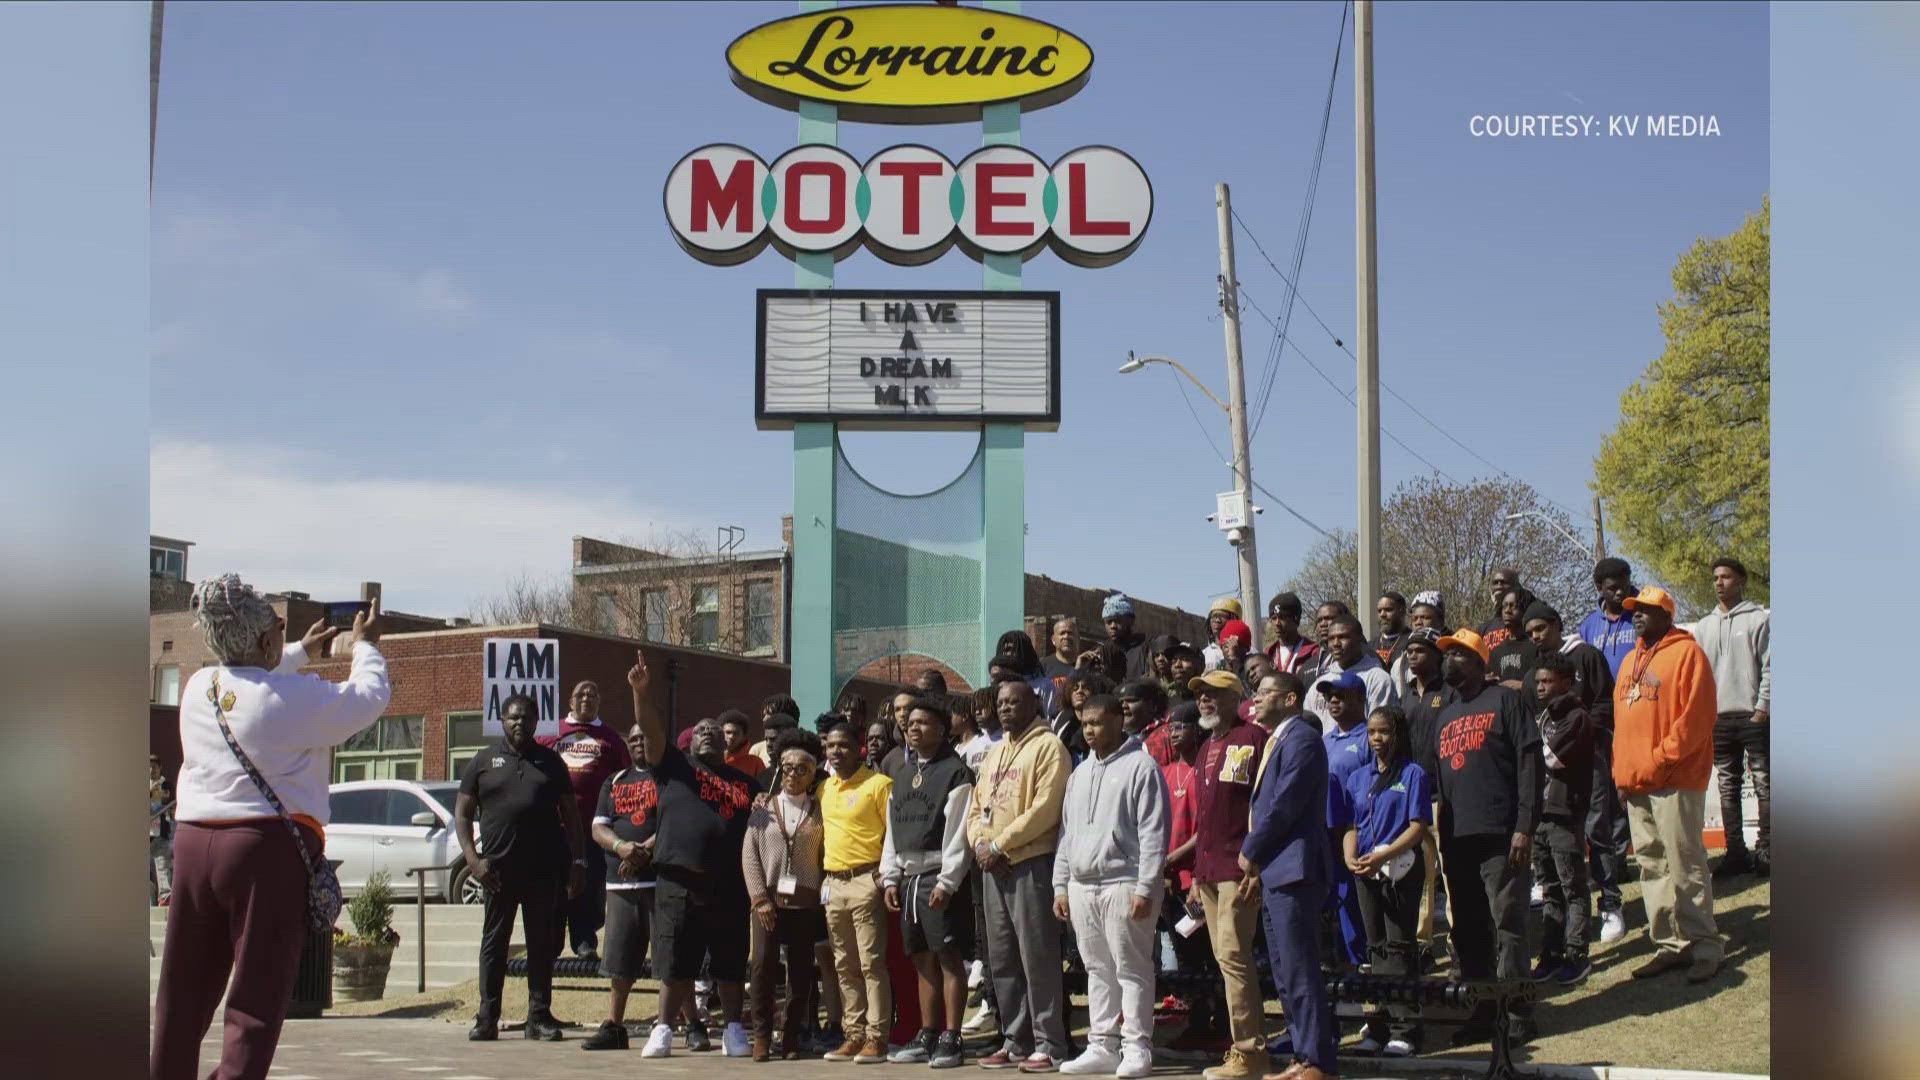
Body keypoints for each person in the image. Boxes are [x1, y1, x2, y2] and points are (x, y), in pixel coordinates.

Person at [152, 577, 391, 1080]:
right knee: (254, 999)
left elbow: (248, 681)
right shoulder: (294, 697)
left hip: (194, 847)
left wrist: (301, 650)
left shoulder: (199, 688)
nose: (282, 633)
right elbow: (367, 698)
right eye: (277, 629)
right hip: (263, 852)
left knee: (184, 989)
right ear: (263, 641)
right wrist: (365, 645)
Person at [623, 652, 758, 1058]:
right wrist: (640, 693)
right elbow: (648, 728)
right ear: (690, 739)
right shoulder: (673, 766)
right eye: (700, 729)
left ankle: (734, 1030)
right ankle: (664, 1029)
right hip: (678, 881)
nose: (707, 733)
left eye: (714, 730)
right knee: (674, 961)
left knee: (730, 963)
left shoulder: (745, 784)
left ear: (728, 741)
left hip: (728, 885)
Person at [1430, 629, 1540, 1044]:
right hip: (1458, 839)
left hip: (1501, 833)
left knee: (1508, 921)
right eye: (1447, 654)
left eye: (1458, 654)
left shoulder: (1506, 701)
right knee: (1469, 929)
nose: (1449, 660)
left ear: (1480, 662)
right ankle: (1483, 1008)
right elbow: (1442, 784)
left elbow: (1530, 765)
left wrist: (1524, 826)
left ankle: (1518, 1011)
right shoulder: (1445, 714)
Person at [458, 691, 588, 1042]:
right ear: (502, 719)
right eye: (513, 717)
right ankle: (487, 1017)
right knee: (494, 944)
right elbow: (463, 814)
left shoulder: (551, 762)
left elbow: (572, 818)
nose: (520, 723)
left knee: (541, 944)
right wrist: (473, 860)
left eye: (526, 718)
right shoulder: (483, 761)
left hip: (543, 871)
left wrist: (578, 861)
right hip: (497, 873)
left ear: (536, 721)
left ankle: (539, 1017)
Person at [1052, 695, 1170, 1079]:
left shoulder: (1141, 766)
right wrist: (1060, 885)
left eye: (1098, 722)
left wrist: (1146, 887)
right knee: (1096, 968)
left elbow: (1154, 834)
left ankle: (1137, 1047)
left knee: (1132, 968)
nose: (1089, 730)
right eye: (1085, 723)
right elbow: (1067, 834)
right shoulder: (1079, 773)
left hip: (1125, 882)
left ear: (1120, 722)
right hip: (1083, 885)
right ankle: (1102, 1044)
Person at [1612, 587, 1725, 983]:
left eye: (1646, 610)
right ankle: (1671, 944)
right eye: (1634, 611)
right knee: (1651, 864)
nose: (1637, 616)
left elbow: (1698, 718)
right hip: (1638, 783)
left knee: (1685, 862)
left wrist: (1659, 758)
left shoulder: (1687, 653)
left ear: (1667, 615)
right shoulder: (1629, 661)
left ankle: (1707, 945)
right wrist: (1622, 772)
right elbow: (1621, 724)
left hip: (1675, 778)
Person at [967, 680, 1073, 1071]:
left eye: (1015, 702)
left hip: (1030, 862)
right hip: (993, 866)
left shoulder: (1049, 747)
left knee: (1038, 956)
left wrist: (998, 845)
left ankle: (1049, 1043)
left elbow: (1046, 807)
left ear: (1035, 703)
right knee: (1003, 959)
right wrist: (981, 844)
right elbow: (977, 805)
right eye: (1001, 703)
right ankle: (1015, 1040)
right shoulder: (996, 753)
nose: (1007, 708)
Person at [1240, 670, 1336, 1080]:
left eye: (1265, 692)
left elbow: (1284, 804)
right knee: (1283, 969)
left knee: (1300, 968)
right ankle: (1302, 1056)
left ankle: (1319, 1061)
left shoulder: (1303, 740)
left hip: (1295, 868)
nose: (1256, 698)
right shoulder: (1278, 739)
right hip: (1277, 870)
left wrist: (1251, 850)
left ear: (1291, 699)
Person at [1521, 602, 1626, 943]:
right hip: (1549, 769)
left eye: (1540, 628)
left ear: (1556, 624)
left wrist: (1581, 740)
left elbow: (1604, 704)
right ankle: (1556, 910)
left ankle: (1610, 903)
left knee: (1597, 826)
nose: (1535, 636)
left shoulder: (1585, 655)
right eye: (1530, 633)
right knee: (1553, 837)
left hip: (1586, 757)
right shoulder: (1532, 671)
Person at [1185, 670, 1272, 1080]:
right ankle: (1243, 1047)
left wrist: (1256, 861)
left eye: (1213, 694)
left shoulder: (1252, 738)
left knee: (1236, 958)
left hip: (1239, 867)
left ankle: (1250, 1052)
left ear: (1235, 697)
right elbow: (1205, 817)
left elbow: (1264, 806)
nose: (1204, 700)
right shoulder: (1207, 747)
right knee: (1225, 959)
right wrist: (1197, 876)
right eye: (1200, 695)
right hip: (1209, 871)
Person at [882, 699, 977, 1068]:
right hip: (908, 880)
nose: (914, 727)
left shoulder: (956, 773)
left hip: (939, 877)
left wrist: (948, 881)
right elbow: (892, 830)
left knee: (949, 959)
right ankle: (928, 1032)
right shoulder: (903, 775)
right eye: (910, 723)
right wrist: (890, 876)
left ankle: (953, 1037)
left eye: (923, 722)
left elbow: (959, 834)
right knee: (921, 960)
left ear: (942, 728)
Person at [1333, 705, 1431, 1058]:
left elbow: (1418, 826)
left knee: (1399, 946)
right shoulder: (1357, 779)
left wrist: (1384, 856)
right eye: (1372, 732)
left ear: (1398, 734)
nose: (1377, 739)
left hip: (1400, 870)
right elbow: (1351, 825)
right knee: (1374, 948)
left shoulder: (1414, 773)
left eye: (1384, 732)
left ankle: (1406, 1029)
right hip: (1365, 871)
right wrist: (1349, 856)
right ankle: (1379, 1026)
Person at [741, 732, 829, 1061]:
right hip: (769, 901)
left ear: (813, 773)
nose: (793, 774)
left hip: (805, 902)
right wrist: (759, 898)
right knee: (762, 966)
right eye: (787, 767)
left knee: (802, 970)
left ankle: (791, 1034)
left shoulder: (820, 810)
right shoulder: (764, 807)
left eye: (801, 769)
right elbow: (749, 853)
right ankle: (762, 1035)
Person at [816, 722, 895, 1064]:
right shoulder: (823, 788)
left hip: (867, 880)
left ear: (859, 747)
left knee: (870, 963)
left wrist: (884, 875)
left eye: (843, 745)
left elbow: (894, 833)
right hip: (833, 884)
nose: (836, 751)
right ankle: (854, 1034)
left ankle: (877, 1037)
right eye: (831, 746)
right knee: (844, 964)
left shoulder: (879, 785)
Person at [539, 679, 631, 962]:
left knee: (587, 888)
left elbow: (625, 779)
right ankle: (550, 945)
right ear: (570, 701)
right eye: (581, 693)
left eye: (593, 694)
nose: (586, 698)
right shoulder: (549, 733)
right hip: (554, 828)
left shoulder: (610, 738)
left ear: (599, 702)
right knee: (554, 887)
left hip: (593, 828)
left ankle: (584, 942)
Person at [581, 726, 660, 1052]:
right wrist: (622, 847)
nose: (639, 741)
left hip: (659, 884)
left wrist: (644, 850)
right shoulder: (614, 781)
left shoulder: (668, 777)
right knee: (619, 962)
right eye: (634, 737)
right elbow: (598, 827)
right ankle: (614, 1026)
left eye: (645, 736)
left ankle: (691, 1022)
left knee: (670, 960)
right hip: (620, 884)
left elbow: (675, 819)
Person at [1694, 557, 1771, 878]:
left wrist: (1763, 707)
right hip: (1719, 720)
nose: (1719, 582)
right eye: (1715, 577)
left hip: (1754, 717)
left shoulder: (1758, 620)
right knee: (1727, 787)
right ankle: (1735, 852)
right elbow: (1698, 676)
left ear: (1741, 581)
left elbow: (1771, 666)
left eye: (1726, 576)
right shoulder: (1703, 626)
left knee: (1765, 785)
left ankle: (1766, 852)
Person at [1158, 702, 1223, 1051]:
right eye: (1171, 727)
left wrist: (1174, 859)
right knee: (1186, 958)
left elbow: (1207, 829)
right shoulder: (1165, 772)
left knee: (1213, 955)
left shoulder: (1205, 769)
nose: (1174, 731)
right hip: (1169, 880)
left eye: (1182, 725)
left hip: (1199, 877)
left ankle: (1222, 1025)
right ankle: (1197, 1023)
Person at [1530, 656, 1595, 986]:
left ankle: (1577, 955)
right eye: (1538, 681)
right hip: (1540, 816)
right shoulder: (1543, 716)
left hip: (1565, 814)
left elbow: (1550, 759)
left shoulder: (1576, 717)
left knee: (1573, 888)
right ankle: (1551, 954)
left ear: (1566, 683)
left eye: (1548, 681)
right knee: (1549, 890)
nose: (1540, 687)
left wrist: (1524, 751)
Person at [1397, 627, 1453, 960]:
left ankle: (1459, 941)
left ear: (1437, 654)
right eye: (1410, 650)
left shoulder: (1449, 692)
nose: (1413, 655)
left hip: (1443, 795)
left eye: (1421, 649)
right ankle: (1421, 943)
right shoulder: (1403, 695)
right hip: (1413, 797)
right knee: (1419, 876)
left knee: (1451, 873)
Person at [1314, 670, 1373, 966]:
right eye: (1328, 696)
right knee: (1332, 896)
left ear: (1360, 699)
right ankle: (1338, 959)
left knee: (1355, 899)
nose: (1333, 701)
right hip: (1326, 834)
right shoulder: (1324, 740)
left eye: (1341, 695)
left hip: (1359, 832)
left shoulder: (1370, 736)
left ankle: (1362, 959)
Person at [1302, 615, 1399, 717]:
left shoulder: (1377, 679)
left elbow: (1380, 727)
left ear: (1360, 639)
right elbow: (1309, 724)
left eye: (1343, 637)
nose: (1336, 644)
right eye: (1331, 638)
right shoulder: (1321, 682)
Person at [1577, 557, 1638, 676]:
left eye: (1624, 586)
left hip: (1638, 692)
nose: (1620, 592)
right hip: (1603, 694)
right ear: (1600, 588)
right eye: (1613, 588)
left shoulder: (1643, 617)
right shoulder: (1587, 627)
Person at [1116, 677, 1175, 767]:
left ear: (1152, 706)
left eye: (1131, 700)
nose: (1124, 706)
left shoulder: (1169, 735)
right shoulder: (1112, 740)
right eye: (1120, 702)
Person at [1486, 590, 1540, 689]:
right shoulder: (1495, 652)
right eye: (1504, 606)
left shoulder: (1536, 646)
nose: (1507, 611)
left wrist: (1523, 686)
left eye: (1513, 606)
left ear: (1525, 610)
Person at [1052, 671, 1106, 762]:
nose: (1079, 691)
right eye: (1075, 688)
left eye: (1085, 688)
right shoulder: (1062, 720)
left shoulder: (1103, 719)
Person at [1264, 592, 1321, 676]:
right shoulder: (1268, 655)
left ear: (1295, 620)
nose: (1277, 623)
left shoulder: (1313, 653)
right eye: (1274, 618)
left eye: (1282, 617)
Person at [1102, 594, 1153, 680]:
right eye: (1109, 622)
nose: (1113, 626)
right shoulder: (1102, 652)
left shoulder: (1145, 648)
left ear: (1131, 621)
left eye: (1118, 620)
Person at [149, 755, 175, 906]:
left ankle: (165, 897)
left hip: (160, 833)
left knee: (162, 865)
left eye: (154, 767)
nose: (151, 770)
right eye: (149, 767)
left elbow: (166, 797)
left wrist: (151, 794)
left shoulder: (166, 785)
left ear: (160, 768)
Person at [750, 693, 801, 768]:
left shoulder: (804, 747)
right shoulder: (757, 750)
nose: (764, 719)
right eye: (764, 715)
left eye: (770, 714)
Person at [1479, 569, 1523, 645]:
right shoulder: (1483, 629)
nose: (1499, 585)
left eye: (1504, 582)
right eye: (1495, 583)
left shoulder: (1525, 622)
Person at [720, 710, 767, 777]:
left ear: (744, 737)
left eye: (736, 733)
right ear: (720, 733)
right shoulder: (712, 760)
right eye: (728, 732)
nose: (731, 737)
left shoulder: (755, 763)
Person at [1201, 598, 1243, 672]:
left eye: (1223, 616)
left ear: (1235, 619)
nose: (1217, 620)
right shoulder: (1204, 655)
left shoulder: (1249, 653)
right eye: (1214, 616)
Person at [1372, 591, 1411, 669]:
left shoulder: (1412, 641)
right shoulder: (1370, 646)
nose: (1382, 614)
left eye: (1388, 610)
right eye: (1379, 611)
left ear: (1402, 611)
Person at [1165, 642, 1205, 707]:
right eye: (1174, 661)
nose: (1177, 665)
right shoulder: (1170, 703)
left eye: (1185, 659)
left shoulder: (1209, 699)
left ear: (1200, 666)